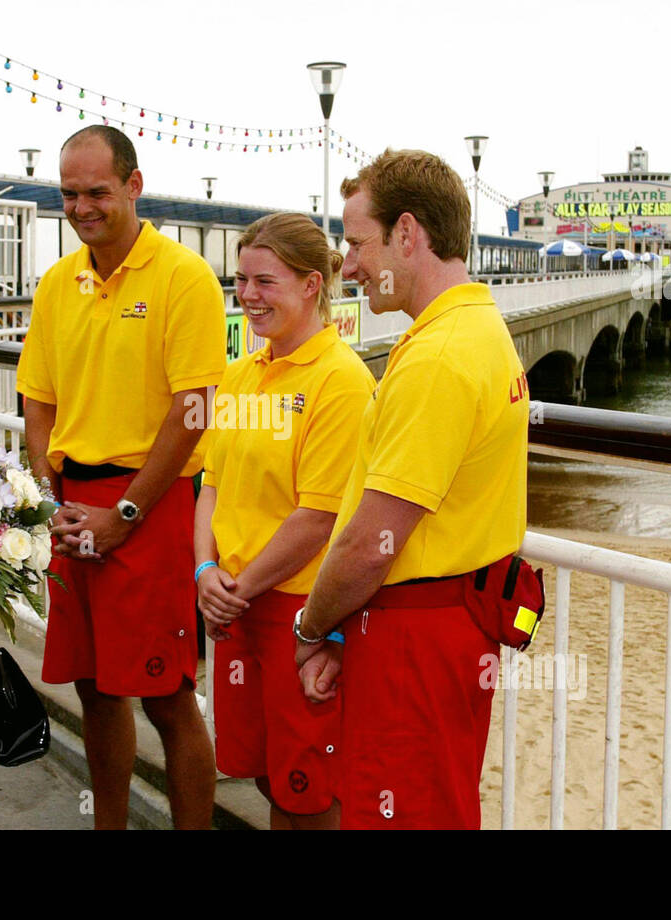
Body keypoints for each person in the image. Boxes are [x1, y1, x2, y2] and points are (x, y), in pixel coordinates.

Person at [292, 149, 530, 830]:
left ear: (407, 233)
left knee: (399, 813)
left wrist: (312, 626)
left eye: (357, 242)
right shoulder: (478, 329)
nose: (348, 263)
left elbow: (374, 541)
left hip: (414, 640)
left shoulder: (438, 357)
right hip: (449, 625)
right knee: (438, 805)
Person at [17, 125, 225, 829]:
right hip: (74, 503)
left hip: (152, 505)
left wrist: (125, 515)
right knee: (95, 689)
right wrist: (49, 499)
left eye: (97, 192)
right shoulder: (57, 282)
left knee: (167, 696)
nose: (82, 208)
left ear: (135, 186)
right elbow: (37, 400)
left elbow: (191, 412)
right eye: (69, 194)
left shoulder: (183, 277)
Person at [195, 213, 374, 830]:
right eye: (241, 280)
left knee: (312, 787)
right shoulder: (242, 373)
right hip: (238, 606)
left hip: (298, 612)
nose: (246, 296)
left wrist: (231, 593)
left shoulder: (342, 381)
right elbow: (211, 487)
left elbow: (318, 518)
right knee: (273, 777)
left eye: (264, 282)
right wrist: (204, 571)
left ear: (311, 285)